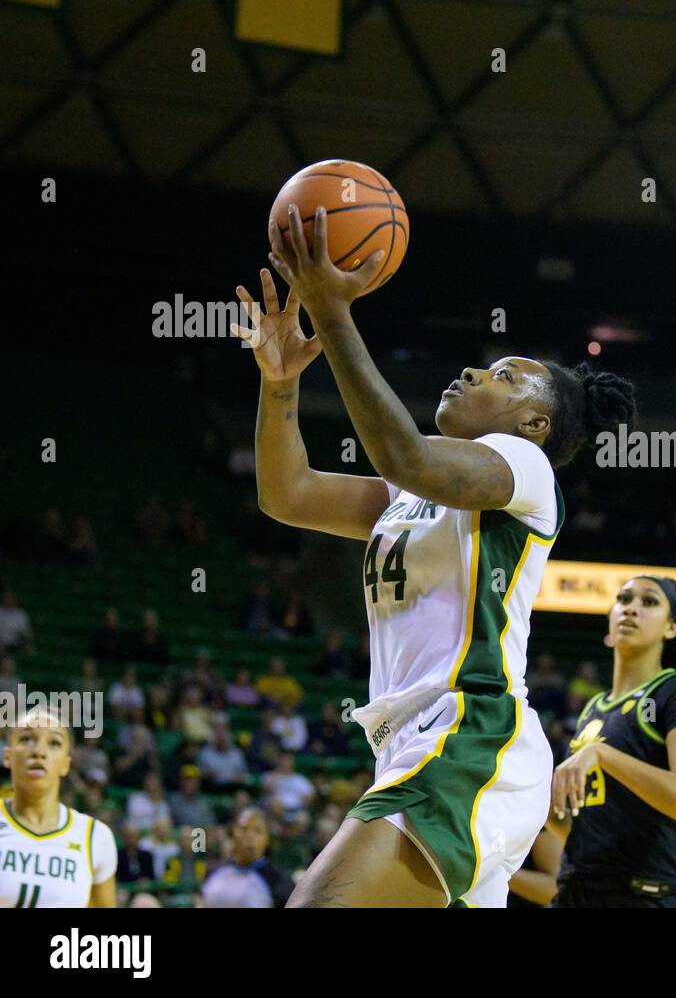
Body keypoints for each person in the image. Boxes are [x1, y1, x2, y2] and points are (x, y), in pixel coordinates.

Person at [235, 216, 635, 909]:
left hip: (470, 738)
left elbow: (404, 454)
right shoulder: (408, 491)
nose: (476, 370)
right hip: (414, 745)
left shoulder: (525, 469)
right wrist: (279, 385)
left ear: (534, 425)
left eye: (505, 378)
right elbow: (287, 493)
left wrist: (333, 316)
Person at [542, 576, 676, 907]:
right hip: (584, 892)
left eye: (649, 602)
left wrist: (603, 754)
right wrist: (545, 803)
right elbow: (586, 826)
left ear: (670, 629)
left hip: (653, 892)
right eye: (623, 599)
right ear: (609, 625)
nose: (632, 609)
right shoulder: (593, 709)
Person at [0, 708, 117, 906]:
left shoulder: (95, 836)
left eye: (54, 743)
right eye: (26, 739)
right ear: (8, 757)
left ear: (66, 764)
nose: (39, 752)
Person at [201, 808, 294, 908]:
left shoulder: (278, 880)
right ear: (233, 832)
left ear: (267, 839)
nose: (249, 836)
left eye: (257, 831)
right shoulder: (214, 871)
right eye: (244, 829)